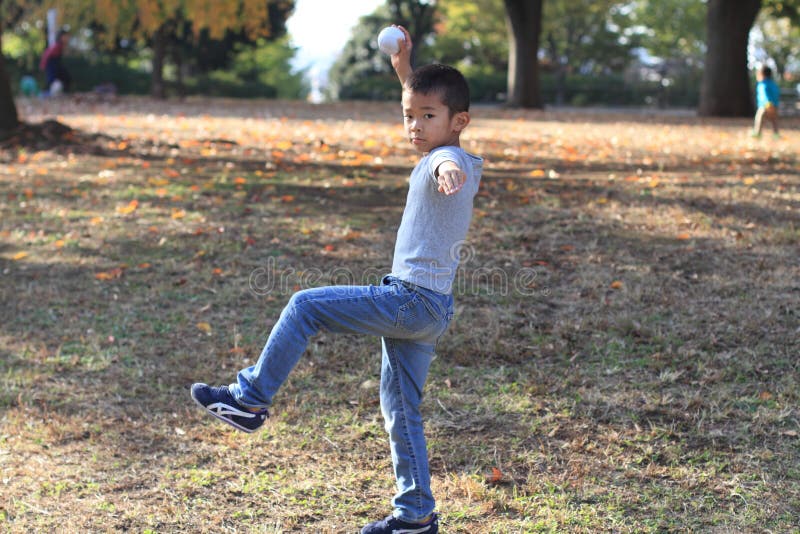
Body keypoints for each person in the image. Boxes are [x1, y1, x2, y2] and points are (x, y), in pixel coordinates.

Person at [190, 25, 482, 534]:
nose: (414, 127)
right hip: (429, 309)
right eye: (408, 116)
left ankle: (250, 400)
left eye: (426, 118)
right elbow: (429, 110)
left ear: (459, 122)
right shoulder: (439, 136)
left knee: (305, 305)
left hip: (411, 301)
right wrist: (404, 69)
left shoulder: (448, 158)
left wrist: (446, 172)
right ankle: (415, 516)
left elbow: (446, 159)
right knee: (401, 409)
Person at [39, 30, 72, 94]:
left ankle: (59, 92)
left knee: (65, 78)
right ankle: (46, 93)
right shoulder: (58, 46)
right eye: (66, 37)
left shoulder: (59, 45)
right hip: (52, 63)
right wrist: (43, 65)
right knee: (53, 80)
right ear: (61, 37)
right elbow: (48, 55)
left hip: (54, 63)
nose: (68, 39)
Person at [752, 65, 780, 138]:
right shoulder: (773, 84)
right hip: (775, 105)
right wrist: (775, 103)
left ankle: (757, 133)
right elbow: (777, 93)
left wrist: (768, 103)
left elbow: (765, 94)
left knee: (759, 118)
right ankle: (776, 134)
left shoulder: (762, 85)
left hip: (765, 106)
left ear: (762, 75)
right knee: (774, 121)